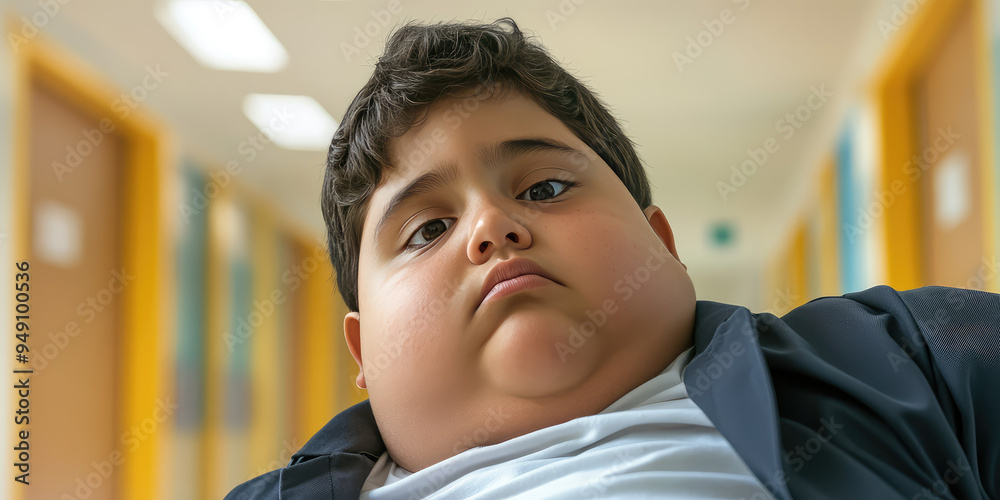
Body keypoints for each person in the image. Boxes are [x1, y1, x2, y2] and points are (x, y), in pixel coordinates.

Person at [225, 17, 1000, 500]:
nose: (491, 227)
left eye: (547, 186)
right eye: (427, 230)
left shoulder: (912, 360)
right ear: (362, 349)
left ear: (661, 245)